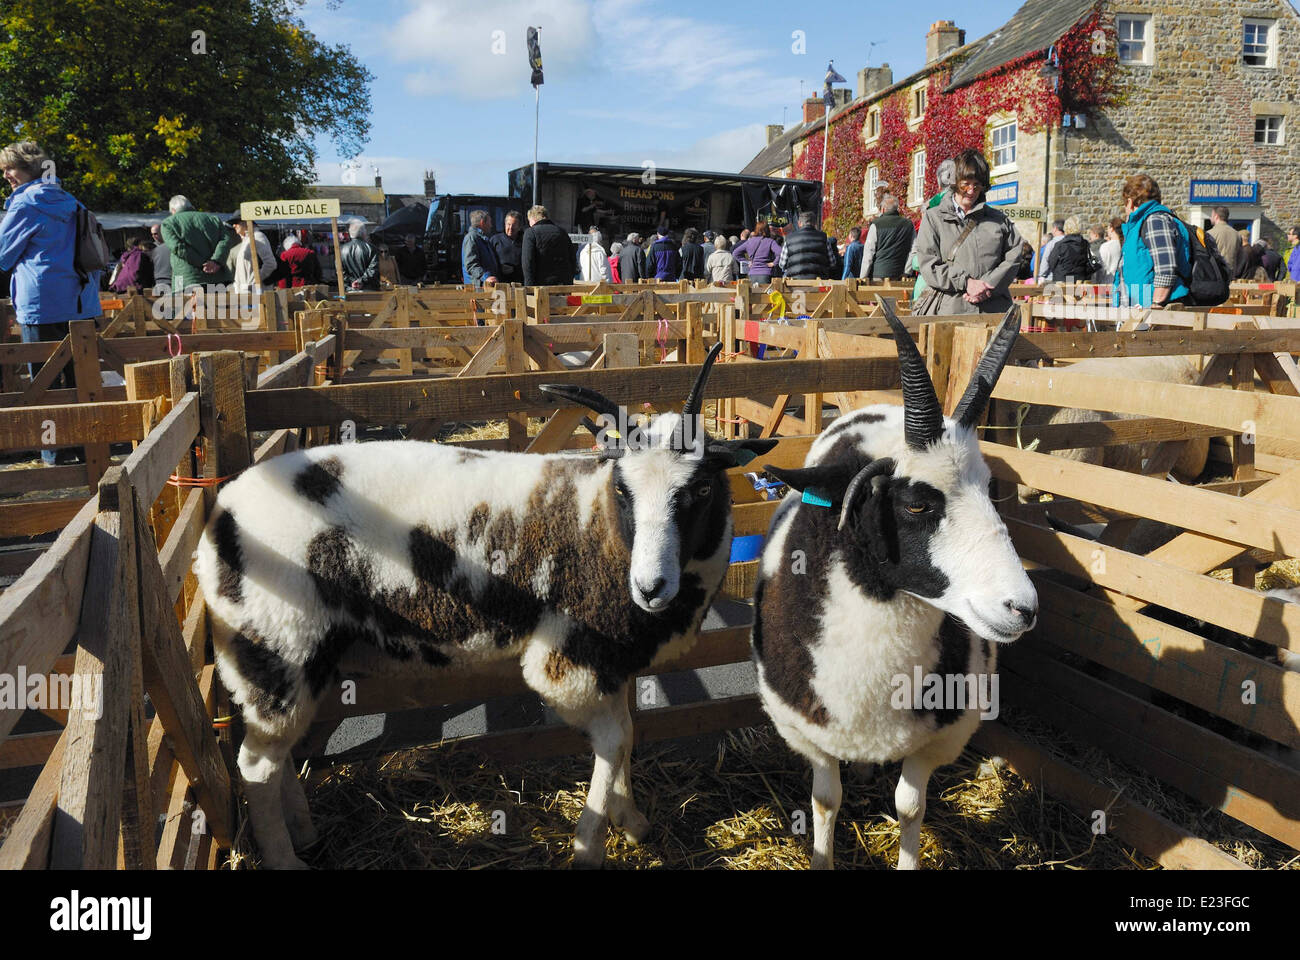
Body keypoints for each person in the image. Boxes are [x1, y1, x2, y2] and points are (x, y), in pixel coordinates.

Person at [0, 140, 103, 464]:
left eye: (9, 168)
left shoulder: (25, 204)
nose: (5, 175)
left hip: (42, 303)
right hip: (80, 301)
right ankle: (86, 447)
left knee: (42, 382)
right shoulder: (70, 200)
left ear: (27, 169)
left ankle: (52, 454)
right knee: (80, 379)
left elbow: (2, 256)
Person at [914, 147, 1023, 315]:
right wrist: (966, 283)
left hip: (993, 311)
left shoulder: (999, 220)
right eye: (965, 184)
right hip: (949, 311)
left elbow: (1014, 255)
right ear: (955, 183)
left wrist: (987, 285)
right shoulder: (933, 218)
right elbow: (928, 262)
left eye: (977, 185)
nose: (971, 191)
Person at [1112, 173, 1191, 309]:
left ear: (1130, 202)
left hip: (1152, 313)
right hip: (1139, 309)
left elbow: (1166, 268)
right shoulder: (1143, 223)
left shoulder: (1155, 220)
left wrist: (1156, 304)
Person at [161, 194, 236, 290]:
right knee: (218, 304)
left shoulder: (168, 223)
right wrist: (215, 261)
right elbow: (225, 240)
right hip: (219, 278)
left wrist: (204, 264)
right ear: (190, 206)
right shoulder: (214, 219)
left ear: (173, 210)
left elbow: (178, 248)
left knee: (182, 303)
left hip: (186, 279)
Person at [860, 195, 915, 281]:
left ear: (883, 209)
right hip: (900, 273)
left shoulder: (876, 224)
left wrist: (863, 276)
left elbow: (869, 253)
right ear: (897, 208)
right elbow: (914, 249)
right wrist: (907, 271)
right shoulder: (908, 224)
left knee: (878, 294)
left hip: (878, 273)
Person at [521, 205, 575, 286]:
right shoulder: (562, 232)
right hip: (563, 284)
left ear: (532, 219)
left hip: (541, 286)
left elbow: (528, 262)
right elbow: (572, 258)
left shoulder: (530, 233)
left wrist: (529, 288)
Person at [229, 220, 276, 293]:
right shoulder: (246, 240)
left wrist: (253, 282)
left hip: (255, 292)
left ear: (245, 222)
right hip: (246, 294)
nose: (234, 226)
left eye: (236, 222)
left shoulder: (257, 236)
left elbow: (270, 264)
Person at [1045, 216, 1093, 282]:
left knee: (1067, 291)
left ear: (1066, 228)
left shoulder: (1060, 245)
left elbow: (1052, 262)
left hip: (1062, 280)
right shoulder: (1085, 244)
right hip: (1079, 279)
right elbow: (1092, 262)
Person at [460, 210, 499, 288]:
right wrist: (486, 277)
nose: (491, 225)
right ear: (482, 222)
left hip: (484, 285)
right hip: (476, 287)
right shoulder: (471, 238)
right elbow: (471, 265)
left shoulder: (482, 239)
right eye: (489, 222)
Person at [340, 218, 380, 291]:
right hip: (370, 290)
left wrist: (353, 282)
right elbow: (373, 270)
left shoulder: (341, 250)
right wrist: (360, 281)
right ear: (363, 233)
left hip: (350, 289)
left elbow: (340, 271)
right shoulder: (371, 248)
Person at [1207, 206, 1243, 279]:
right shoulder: (1237, 234)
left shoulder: (1210, 233)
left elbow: (1205, 256)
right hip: (1230, 276)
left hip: (1214, 276)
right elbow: (1239, 256)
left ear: (1216, 216)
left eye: (1211, 216)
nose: (1210, 218)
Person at [490, 211, 524, 284]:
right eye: (508, 224)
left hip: (519, 284)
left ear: (519, 227)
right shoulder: (495, 240)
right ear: (505, 224)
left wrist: (514, 269)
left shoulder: (525, 241)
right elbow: (489, 261)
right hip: (499, 283)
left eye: (514, 225)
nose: (510, 228)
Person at [1098, 217, 1123, 285]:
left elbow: (1101, 269)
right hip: (1123, 285)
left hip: (1107, 284)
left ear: (1112, 229)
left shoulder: (1105, 246)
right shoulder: (1125, 245)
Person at [149, 223, 171, 287]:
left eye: (155, 234)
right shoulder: (152, 247)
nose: (153, 236)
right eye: (152, 234)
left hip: (175, 278)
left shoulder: (172, 245)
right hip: (159, 280)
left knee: (179, 296)